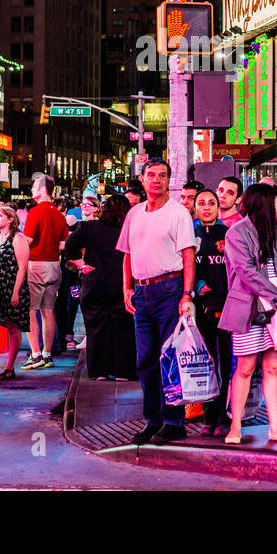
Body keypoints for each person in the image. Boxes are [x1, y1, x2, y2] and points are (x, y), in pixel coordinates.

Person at [118, 158, 197, 445]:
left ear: (168, 181)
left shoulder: (178, 214)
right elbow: (126, 253)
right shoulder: (135, 213)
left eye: (162, 176)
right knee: (145, 360)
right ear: (142, 179)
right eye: (151, 175)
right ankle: (153, 419)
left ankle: (174, 421)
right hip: (141, 291)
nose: (156, 180)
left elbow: (188, 256)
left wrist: (186, 294)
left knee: (169, 357)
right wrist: (126, 288)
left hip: (170, 288)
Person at [220, 182, 277, 446]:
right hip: (249, 308)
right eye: (276, 201)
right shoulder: (236, 233)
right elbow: (246, 272)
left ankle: (275, 427)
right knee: (245, 368)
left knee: (272, 367)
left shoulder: (275, 231)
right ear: (263, 203)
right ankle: (235, 426)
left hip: (275, 308)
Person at [65, 195, 136, 382]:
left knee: (96, 329)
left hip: (94, 283)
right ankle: (123, 371)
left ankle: (99, 371)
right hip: (121, 284)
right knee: (123, 329)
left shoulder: (90, 227)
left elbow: (70, 245)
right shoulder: (129, 230)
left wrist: (81, 265)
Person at [189, 189, 231, 434]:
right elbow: (186, 268)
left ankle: (224, 417)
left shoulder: (229, 234)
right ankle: (208, 416)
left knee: (228, 364)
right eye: (201, 203)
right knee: (206, 363)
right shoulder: (190, 234)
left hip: (227, 306)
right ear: (195, 207)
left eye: (211, 203)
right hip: (200, 309)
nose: (206, 207)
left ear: (219, 207)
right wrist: (198, 285)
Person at [22, 174, 67, 370]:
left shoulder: (35, 212)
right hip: (54, 266)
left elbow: (28, 241)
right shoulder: (59, 214)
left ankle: (36, 354)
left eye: (34, 186)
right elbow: (63, 244)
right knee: (48, 310)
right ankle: (47, 354)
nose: (32, 189)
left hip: (36, 265)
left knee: (31, 311)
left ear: (42, 189)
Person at [0, 205, 30, 379]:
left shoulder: (18, 238)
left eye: (0, 216)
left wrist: (15, 292)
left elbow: (22, 267)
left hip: (11, 285)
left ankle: (10, 367)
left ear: (10, 219)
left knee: (13, 325)